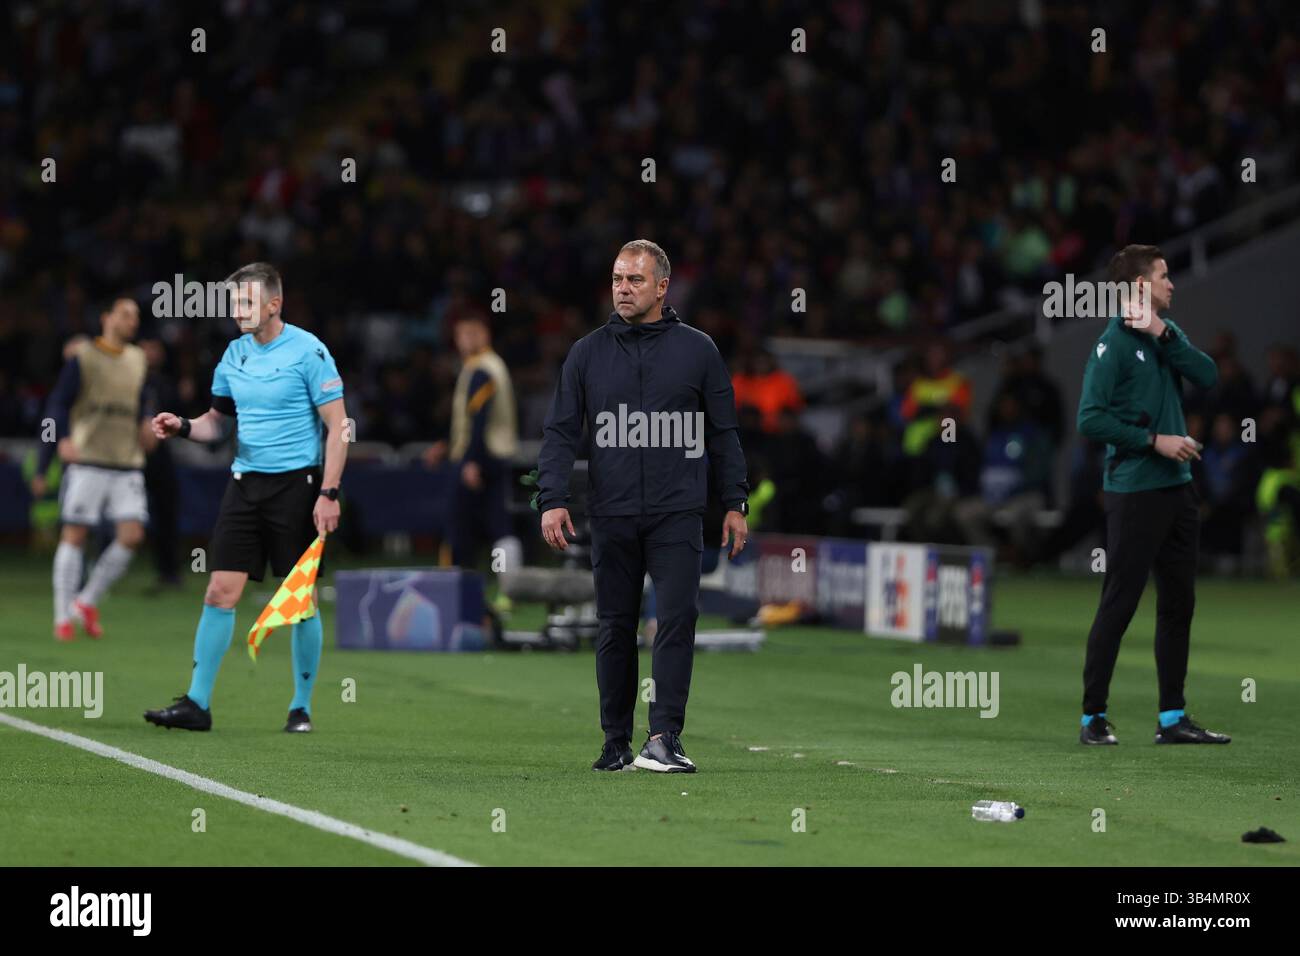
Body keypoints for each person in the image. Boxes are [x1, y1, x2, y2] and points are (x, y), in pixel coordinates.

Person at [536, 240, 749, 773]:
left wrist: (734, 501)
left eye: (634, 280)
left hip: (678, 512)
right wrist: (552, 499)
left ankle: (663, 737)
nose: (622, 288)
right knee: (614, 627)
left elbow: (724, 432)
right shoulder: (586, 353)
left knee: (677, 619)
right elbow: (561, 432)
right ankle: (615, 742)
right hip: (611, 512)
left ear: (661, 287)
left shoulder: (698, 350)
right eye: (616, 279)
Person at [144, 263, 349, 733]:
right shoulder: (234, 355)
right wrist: (183, 426)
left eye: (247, 303)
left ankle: (301, 707)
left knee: (300, 599)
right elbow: (218, 421)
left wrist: (329, 492)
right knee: (219, 590)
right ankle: (197, 704)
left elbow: (339, 426)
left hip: (297, 486)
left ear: (274, 305)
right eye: (235, 302)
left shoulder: (308, 351)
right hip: (244, 484)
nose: (238, 311)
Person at [1075, 244, 1228, 746]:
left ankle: (1172, 719)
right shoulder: (1111, 345)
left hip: (1178, 492)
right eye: (1164, 276)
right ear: (1140, 285)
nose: (1172, 283)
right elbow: (1090, 418)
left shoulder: (1165, 335)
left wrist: (1163, 332)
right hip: (1135, 492)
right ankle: (1093, 718)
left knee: (1178, 604)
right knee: (1119, 603)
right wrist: (1153, 441)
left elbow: (1208, 375)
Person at [30, 297, 150, 641]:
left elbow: (142, 400)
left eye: (136, 316)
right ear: (106, 318)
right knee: (76, 535)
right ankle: (61, 616)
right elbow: (57, 405)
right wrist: (61, 439)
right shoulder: (84, 358)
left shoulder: (138, 359)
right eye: (126, 314)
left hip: (127, 462)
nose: (133, 321)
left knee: (132, 536)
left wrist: (145, 421)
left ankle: (86, 601)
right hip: (88, 461)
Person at [423, 315, 519, 570]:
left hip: (478, 457)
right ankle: (510, 589)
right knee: (499, 521)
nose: (464, 341)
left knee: (457, 521)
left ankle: (454, 584)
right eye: (461, 335)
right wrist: (445, 445)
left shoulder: (481, 369)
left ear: (484, 335)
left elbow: (479, 419)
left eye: (470, 334)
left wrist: (471, 461)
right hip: (496, 455)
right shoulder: (492, 365)